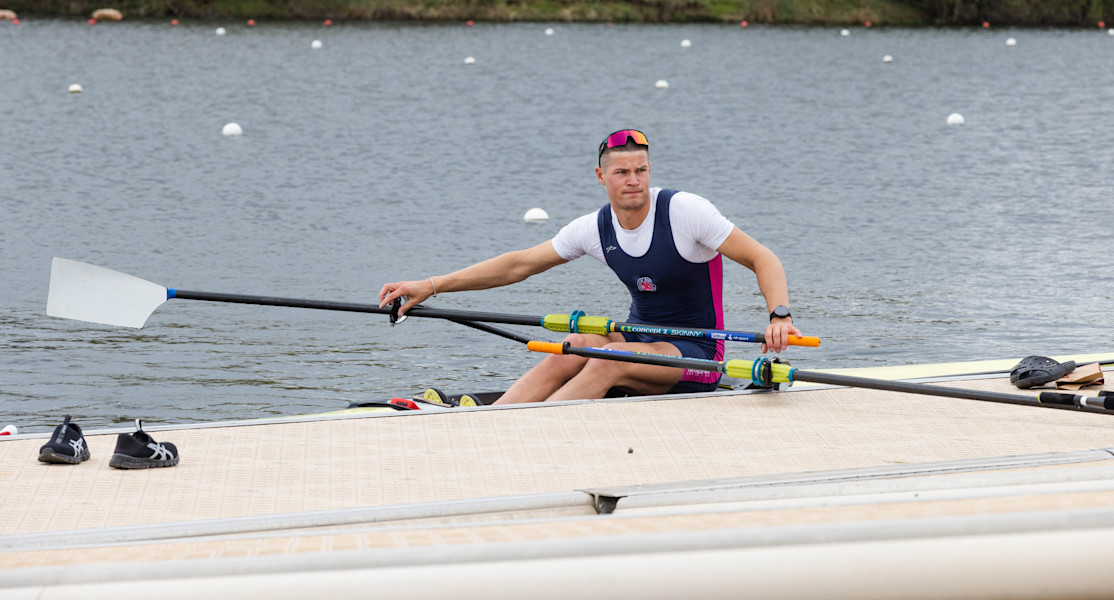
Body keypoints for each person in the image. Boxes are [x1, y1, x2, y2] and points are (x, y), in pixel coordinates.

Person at [379, 129, 801, 405]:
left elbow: (762, 258)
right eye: (622, 172)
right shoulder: (594, 228)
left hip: (698, 353)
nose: (633, 180)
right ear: (601, 176)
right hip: (639, 339)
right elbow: (517, 266)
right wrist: (431, 286)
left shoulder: (686, 211)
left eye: (641, 170)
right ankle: (495, 418)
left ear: (650, 171)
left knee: (604, 355)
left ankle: (525, 429)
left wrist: (779, 314)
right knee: (576, 344)